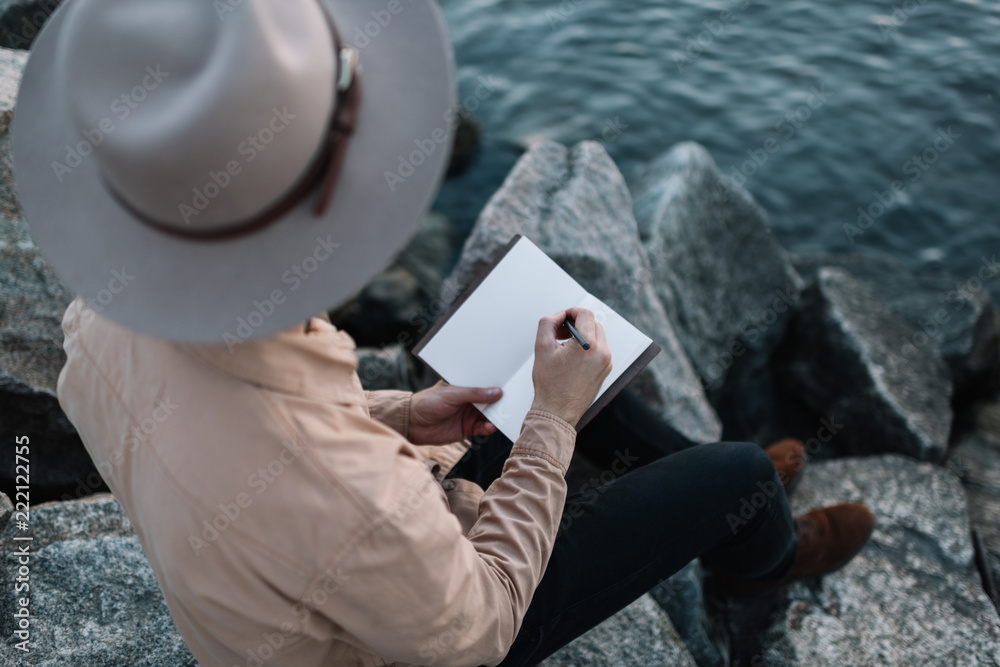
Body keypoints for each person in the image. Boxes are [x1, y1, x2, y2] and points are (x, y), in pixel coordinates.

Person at [14, 1, 874, 666]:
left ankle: (712, 497)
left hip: (293, 569)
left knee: (536, 374)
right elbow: (480, 627)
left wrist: (399, 415)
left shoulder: (101, 322)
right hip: (411, 628)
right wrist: (550, 429)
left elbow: (244, 431)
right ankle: (760, 552)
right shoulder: (351, 495)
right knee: (730, 463)